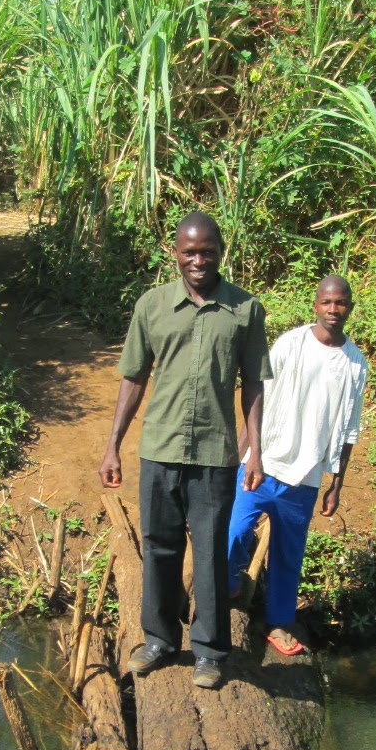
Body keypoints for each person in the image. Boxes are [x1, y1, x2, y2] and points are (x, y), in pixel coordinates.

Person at [99, 212, 270, 689]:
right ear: (174, 253)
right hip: (159, 448)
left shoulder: (245, 309)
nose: (199, 260)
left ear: (220, 251)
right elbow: (134, 378)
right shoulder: (152, 306)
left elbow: (253, 383)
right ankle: (159, 639)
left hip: (215, 454)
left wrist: (255, 448)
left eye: (207, 251)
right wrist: (113, 445)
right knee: (159, 546)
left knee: (212, 552)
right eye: (189, 251)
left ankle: (211, 651)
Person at [227, 275, 368, 655]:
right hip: (264, 462)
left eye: (340, 303)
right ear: (315, 305)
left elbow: (349, 429)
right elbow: (256, 398)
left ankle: (279, 623)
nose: (333, 310)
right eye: (326, 302)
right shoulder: (290, 344)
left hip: (305, 477)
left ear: (350, 307)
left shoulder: (355, 364)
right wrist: (241, 457)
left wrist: (336, 483)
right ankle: (228, 585)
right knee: (235, 531)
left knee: (289, 554)